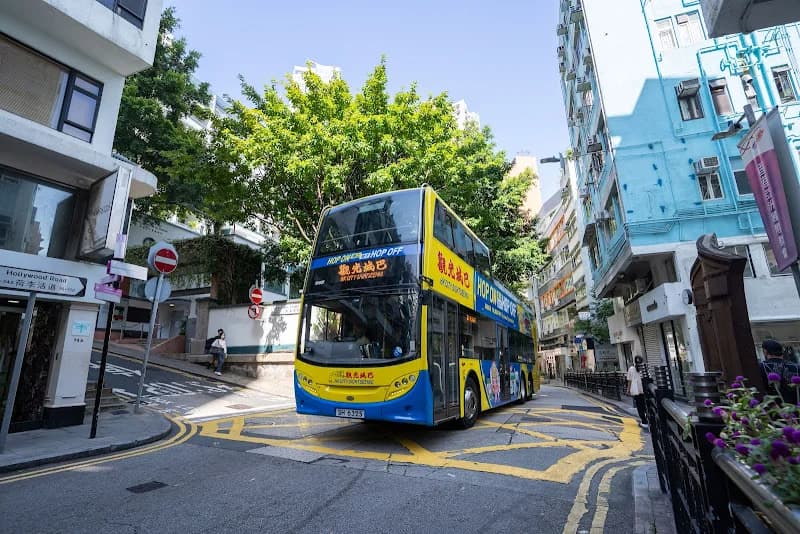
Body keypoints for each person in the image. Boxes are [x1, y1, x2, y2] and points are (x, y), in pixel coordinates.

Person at [627, 356, 648, 428]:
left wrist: (628, 390)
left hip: (636, 390)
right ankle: (648, 419)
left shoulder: (631, 369)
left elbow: (629, 380)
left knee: (639, 406)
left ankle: (644, 421)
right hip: (645, 390)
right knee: (646, 405)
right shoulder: (645, 368)